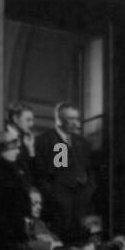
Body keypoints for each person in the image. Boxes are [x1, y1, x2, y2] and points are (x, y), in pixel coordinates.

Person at [33, 102, 94, 242]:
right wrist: (55, 197)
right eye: (70, 119)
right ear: (59, 119)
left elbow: (90, 172)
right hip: (58, 208)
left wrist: (87, 192)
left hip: (81, 205)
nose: (75, 123)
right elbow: (42, 175)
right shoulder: (44, 141)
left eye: (76, 118)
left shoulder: (82, 143)